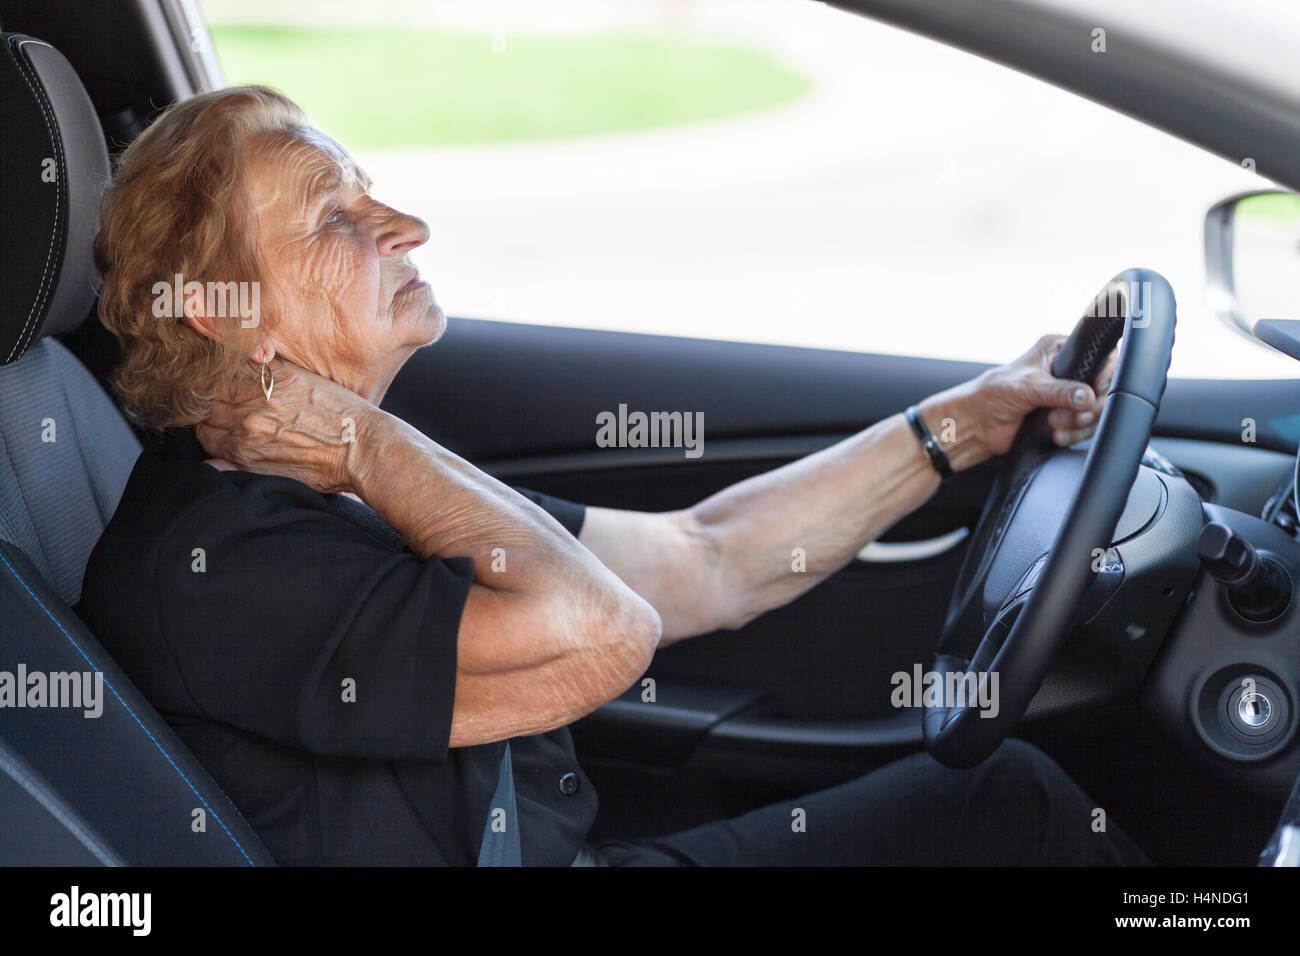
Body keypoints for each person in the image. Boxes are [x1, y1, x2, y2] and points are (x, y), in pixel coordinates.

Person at [78, 85, 1144, 866]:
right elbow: (606, 633)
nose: (406, 226)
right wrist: (367, 440)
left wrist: (958, 426)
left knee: (997, 802)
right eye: (334, 217)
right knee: (1016, 815)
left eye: (374, 195)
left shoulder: (337, 489)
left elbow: (708, 558)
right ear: (225, 312)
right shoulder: (222, 562)